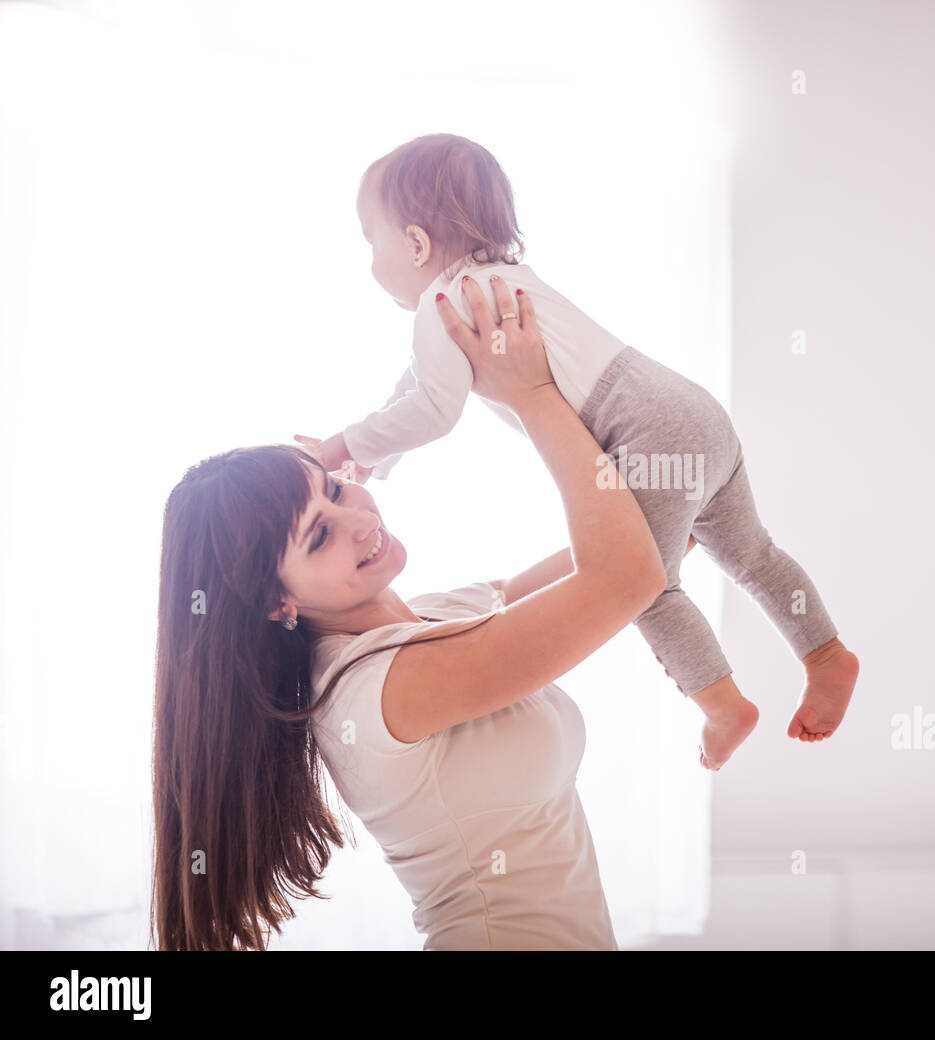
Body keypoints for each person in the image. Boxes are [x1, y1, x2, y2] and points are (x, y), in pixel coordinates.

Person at [303, 132, 859, 770]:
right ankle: (825, 655)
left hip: (642, 430)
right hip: (689, 409)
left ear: (416, 244)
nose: (370, 261)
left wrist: (345, 446)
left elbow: (433, 407)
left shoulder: (442, 304)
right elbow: (415, 389)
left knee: (642, 582)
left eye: (369, 240)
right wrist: (373, 458)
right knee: (752, 552)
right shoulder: (501, 281)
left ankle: (723, 704)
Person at [150, 275, 665, 950]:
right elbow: (627, 576)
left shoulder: (437, 616)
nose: (357, 520)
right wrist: (532, 393)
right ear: (279, 601)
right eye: (319, 534)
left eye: (335, 490)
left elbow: (636, 543)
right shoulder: (377, 693)